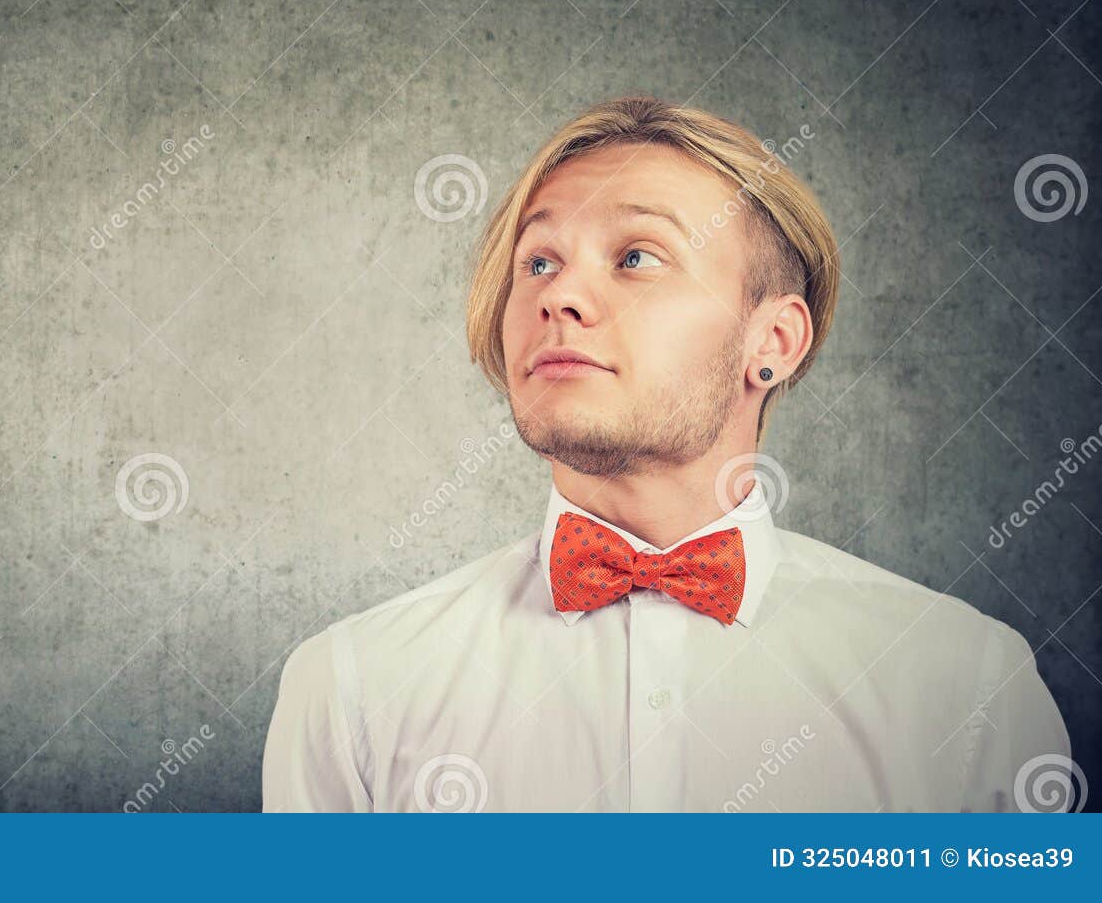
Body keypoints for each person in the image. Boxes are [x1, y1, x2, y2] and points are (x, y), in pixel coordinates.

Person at [261, 95, 1073, 812]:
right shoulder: (351, 688)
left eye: (637, 257)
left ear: (775, 341)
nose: (560, 295)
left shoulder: (968, 688)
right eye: (538, 261)